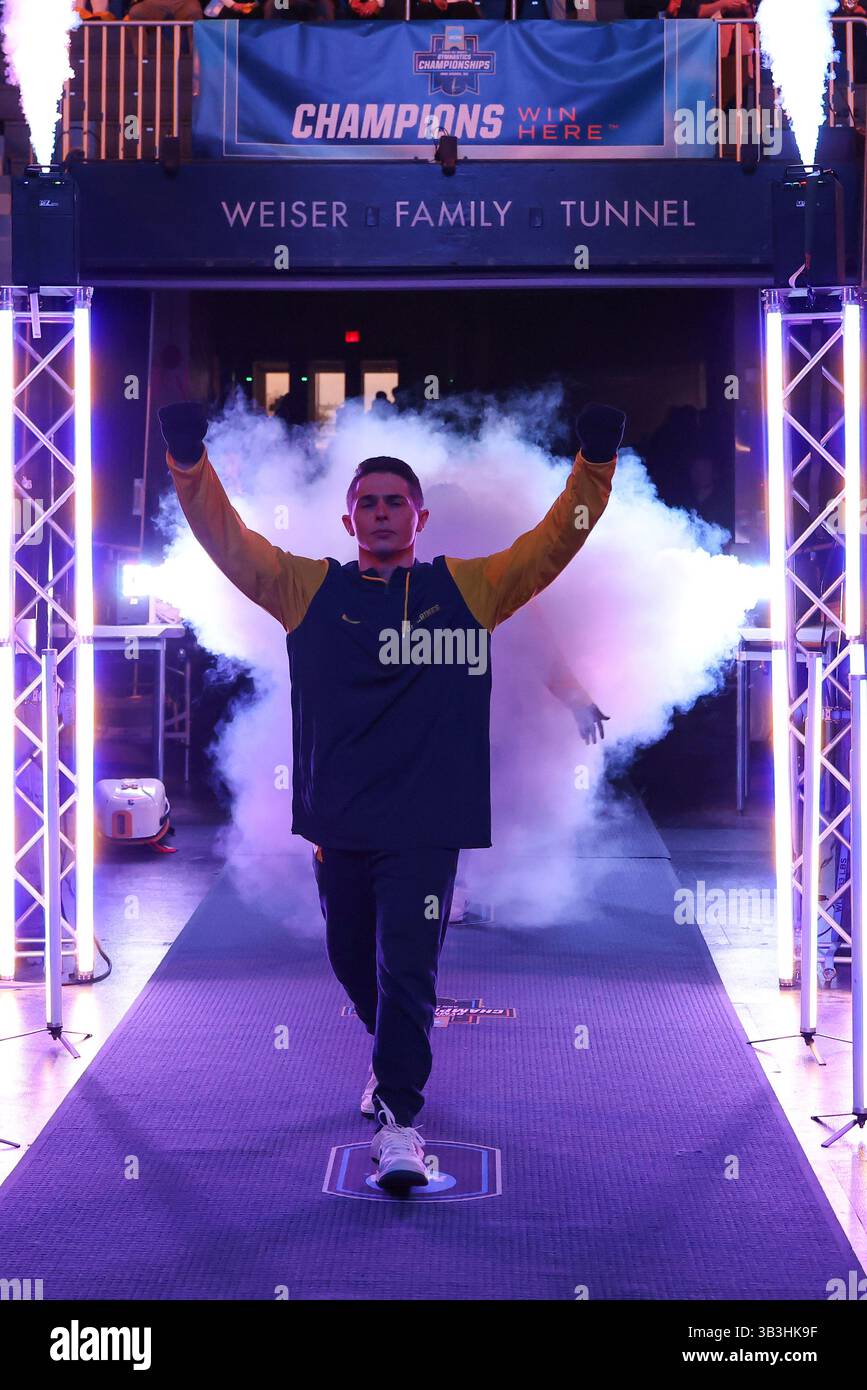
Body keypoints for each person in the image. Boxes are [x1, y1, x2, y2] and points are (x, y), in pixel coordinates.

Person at [159, 398, 623, 1191]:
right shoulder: (305, 591)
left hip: (425, 823)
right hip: (338, 819)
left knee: (407, 968)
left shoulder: (467, 590)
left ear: (418, 517)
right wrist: (189, 461)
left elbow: (553, 546)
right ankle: (389, 1056)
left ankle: (400, 1122)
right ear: (347, 522)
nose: (379, 513)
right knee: (352, 958)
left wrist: (594, 463)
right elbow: (226, 542)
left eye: (393, 503)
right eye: (366, 503)